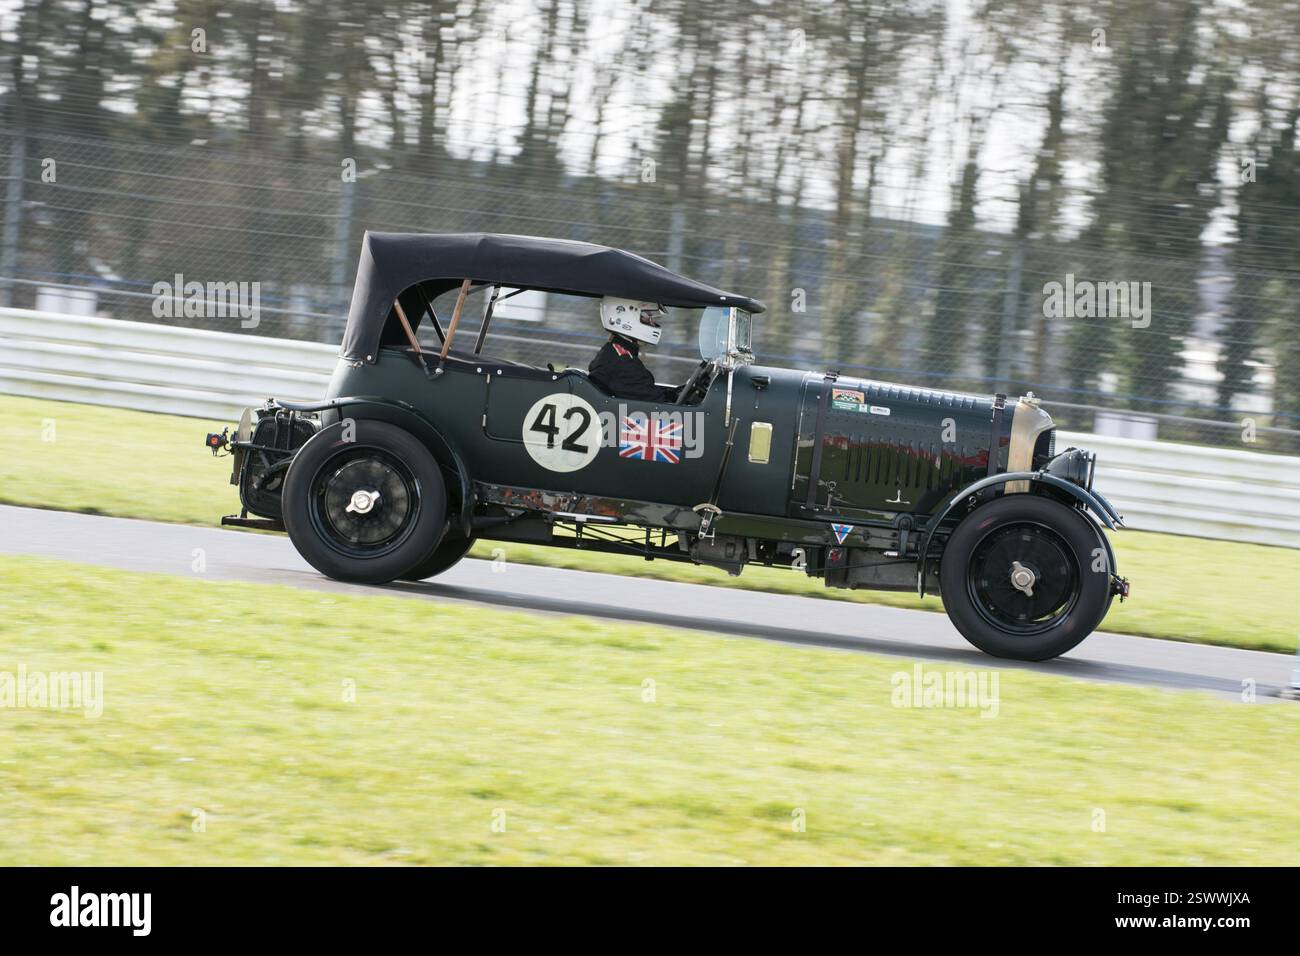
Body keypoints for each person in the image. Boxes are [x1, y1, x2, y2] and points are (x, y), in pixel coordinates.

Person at [588, 297, 677, 402]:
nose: (652, 323)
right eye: (646, 317)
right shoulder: (622, 362)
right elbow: (658, 404)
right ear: (625, 317)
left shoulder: (615, 351)